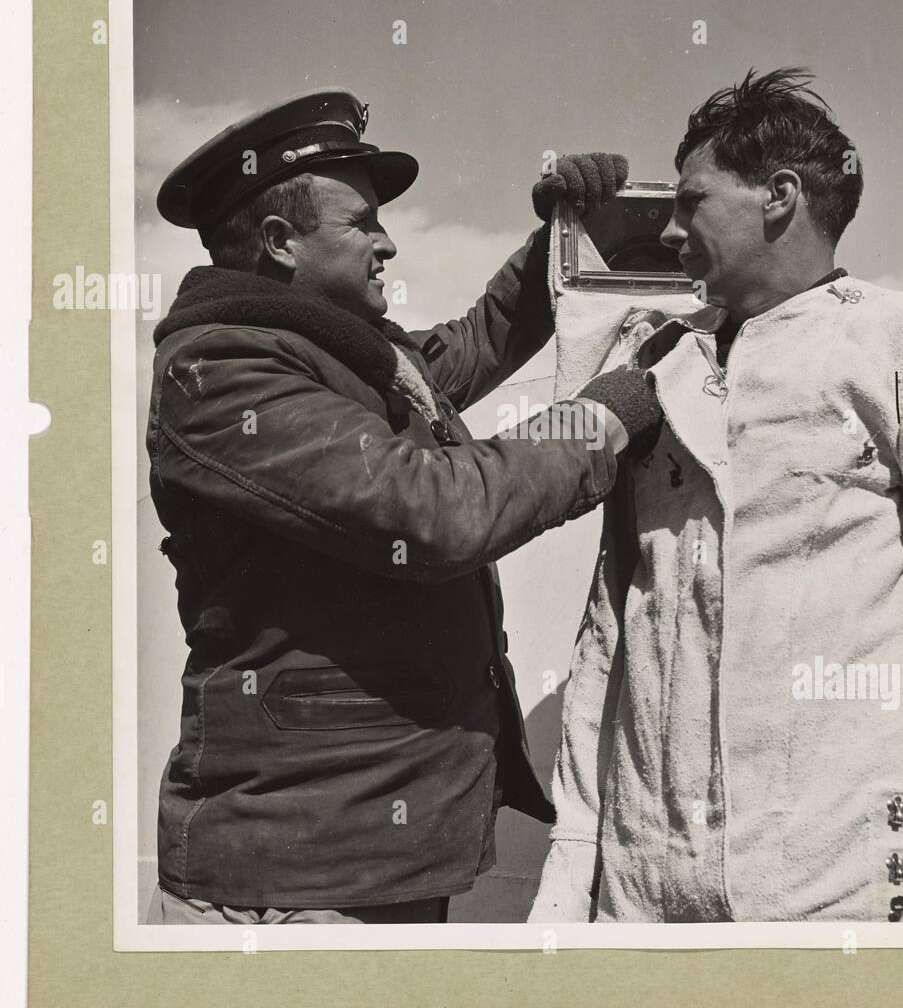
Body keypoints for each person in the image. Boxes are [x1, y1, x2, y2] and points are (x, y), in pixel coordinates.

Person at [145, 88, 663, 925]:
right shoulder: (223, 371)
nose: (388, 242)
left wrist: (558, 240)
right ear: (279, 243)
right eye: (361, 224)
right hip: (305, 871)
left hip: (376, 843)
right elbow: (438, 513)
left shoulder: (350, 353)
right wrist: (598, 418)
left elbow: (471, 346)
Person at [531, 68, 903, 924]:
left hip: (847, 885)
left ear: (779, 196)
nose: (672, 228)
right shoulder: (654, 366)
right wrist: (575, 857)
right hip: (644, 888)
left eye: (692, 201)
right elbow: (607, 629)